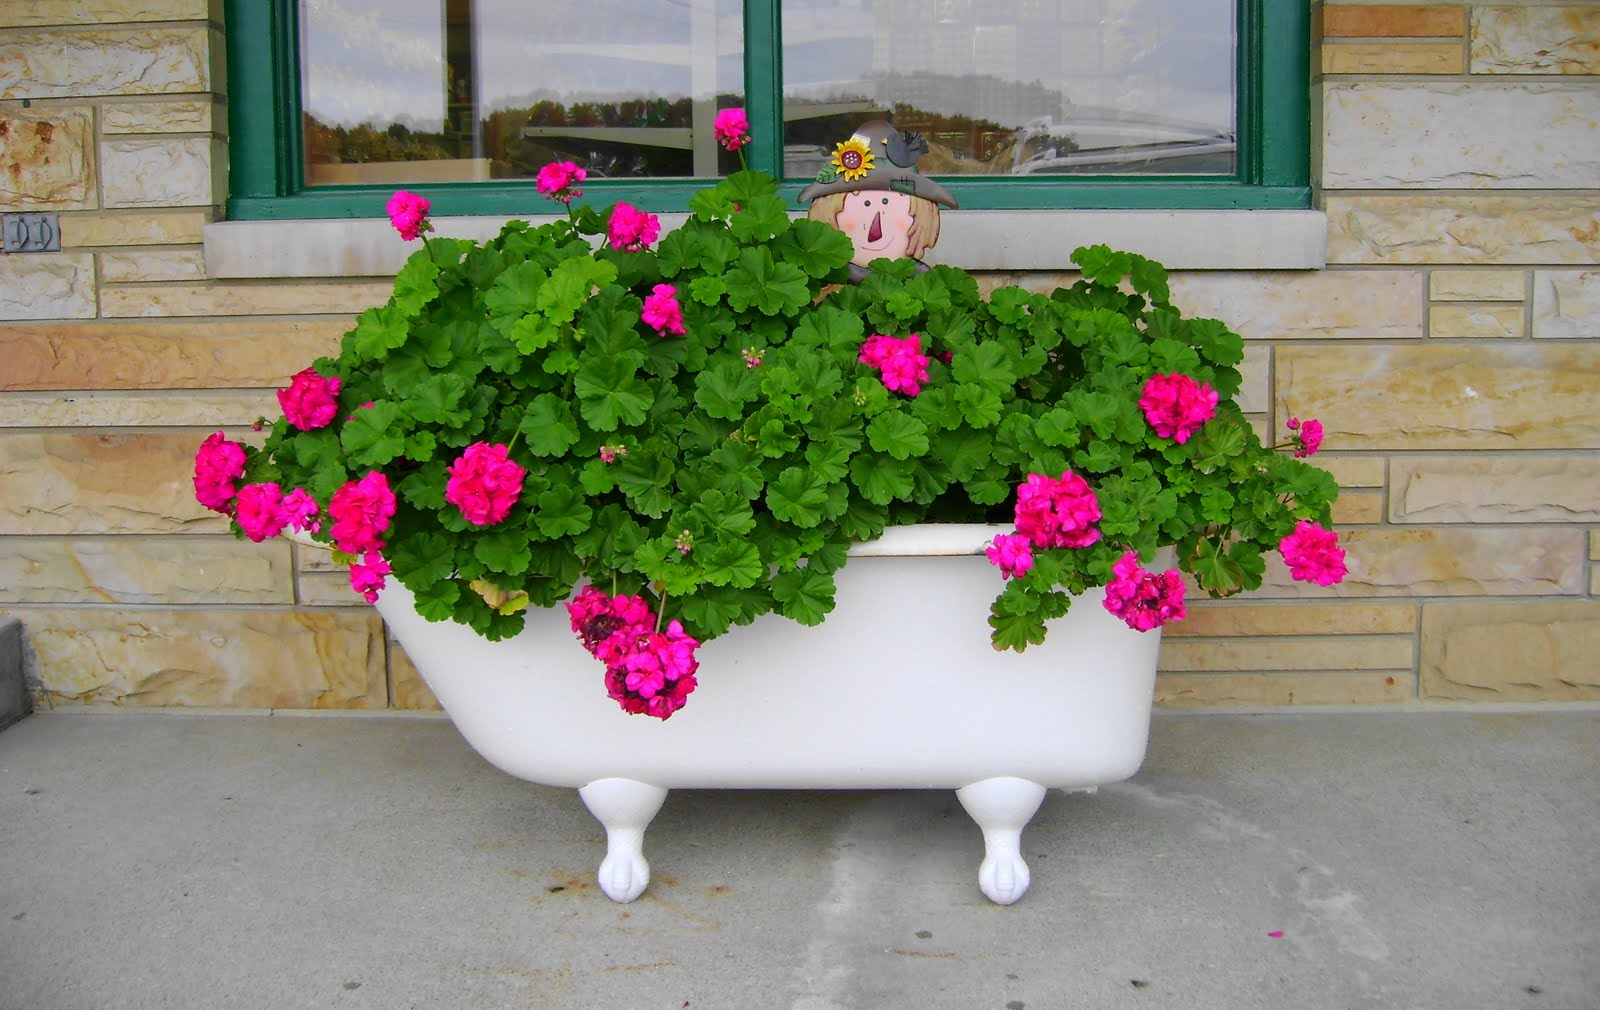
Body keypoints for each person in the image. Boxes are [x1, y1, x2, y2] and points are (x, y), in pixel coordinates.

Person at [798, 120, 958, 283]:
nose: (877, 223)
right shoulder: (827, 277)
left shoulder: (922, 279)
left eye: (887, 203)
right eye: (864, 204)